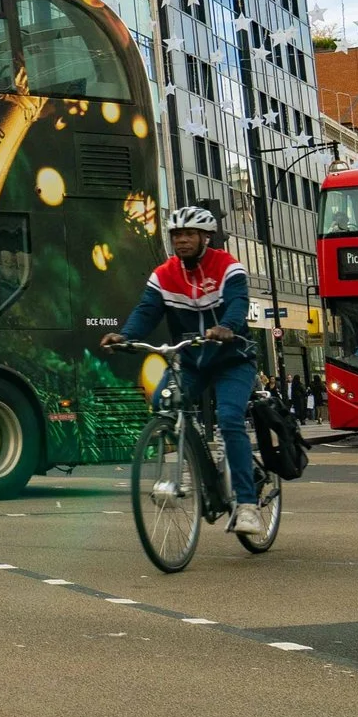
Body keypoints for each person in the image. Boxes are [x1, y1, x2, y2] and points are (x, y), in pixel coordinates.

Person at [101, 204, 265, 536]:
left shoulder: (228, 266)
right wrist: (126, 336)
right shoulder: (164, 274)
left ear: (206, 236)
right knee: (165, 402)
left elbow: (237, 301)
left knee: (231, 418)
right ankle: (189, 468)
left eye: (189, 234)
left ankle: (247, 506)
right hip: (192, 360)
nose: (182, 241)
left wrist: (228, 326)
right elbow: (147, 310)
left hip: (232, 359)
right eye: (177, 235)